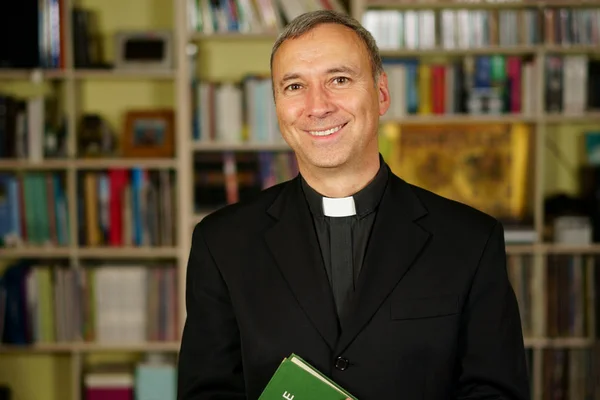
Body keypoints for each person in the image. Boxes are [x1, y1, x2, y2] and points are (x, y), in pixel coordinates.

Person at [177, 9, 530, 400]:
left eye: (339, 79)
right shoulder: (221, 243)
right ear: (276, 104)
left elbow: (496, 393)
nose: (318, 106)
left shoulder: (470, 241)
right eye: (294, 86)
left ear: (381, 93)